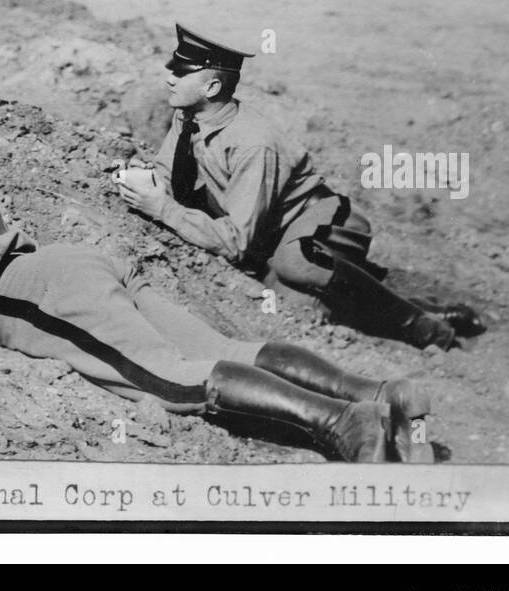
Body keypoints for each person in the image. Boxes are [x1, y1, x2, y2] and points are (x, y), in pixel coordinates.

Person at [0, 70, 436, 464]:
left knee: (171, 382)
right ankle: (376, 396)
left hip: (26, 294)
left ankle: (340, 424)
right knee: (222, 344)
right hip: (73, 265)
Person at [112, 24, 485, 351]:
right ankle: (421, 304)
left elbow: (235, 243)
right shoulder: (188, 115)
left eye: (180, 72)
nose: (169, 78)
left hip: (320, 224)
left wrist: (163, 209)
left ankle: (425, 328)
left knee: (298, 266)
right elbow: (168, 170)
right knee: (299, 307)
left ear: (211, 86)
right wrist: (143, 178)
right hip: (267, 231)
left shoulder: (253, 143)